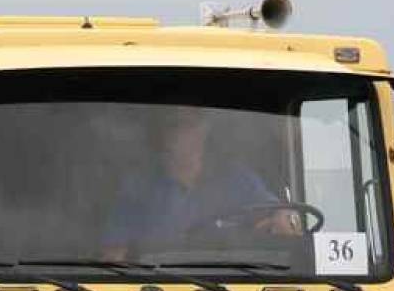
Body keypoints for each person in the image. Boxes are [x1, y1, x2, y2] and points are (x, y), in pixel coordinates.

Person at [99, 110, 301, 258]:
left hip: (232, 289)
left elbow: (278, 213)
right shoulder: (139, 186)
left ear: (204, 128)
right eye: (173, 125)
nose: (179, 134)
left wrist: (285, 218)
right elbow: (114, 253)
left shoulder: (236, 179)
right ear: (161, 133)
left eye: (188, 124)